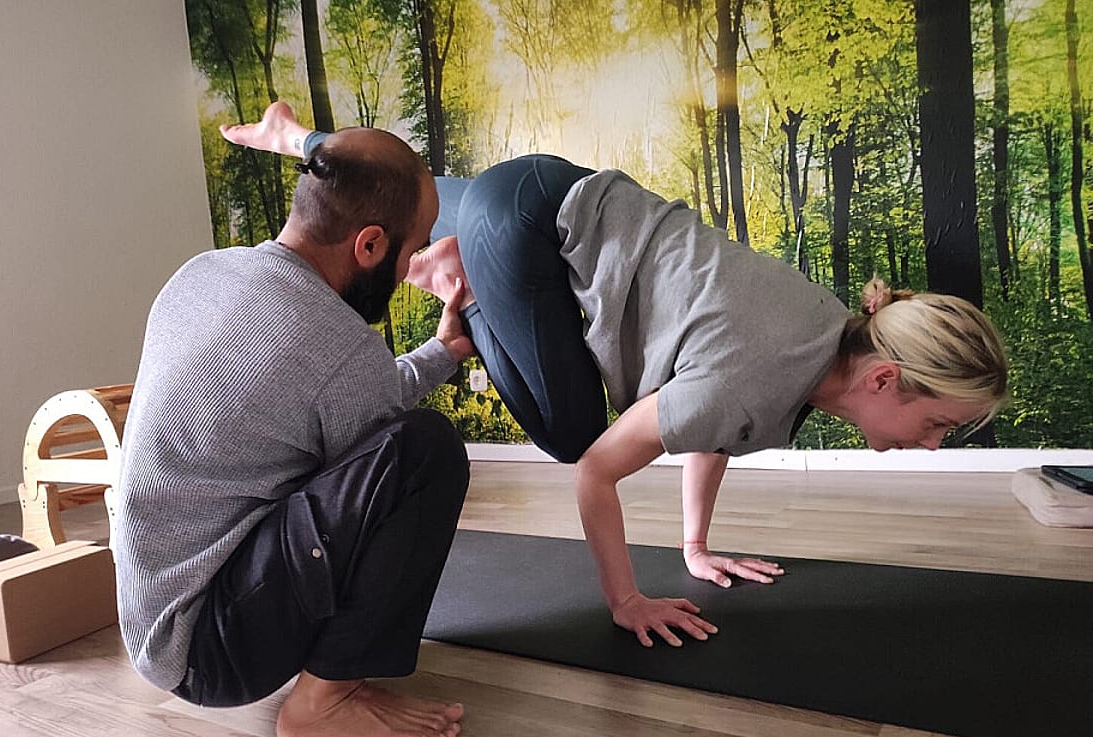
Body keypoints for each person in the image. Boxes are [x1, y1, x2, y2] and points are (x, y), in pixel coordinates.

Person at [222, 101, 1009, 651]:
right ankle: (470, 287)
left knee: (409, 198)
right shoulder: (760, 367)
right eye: (937, 422)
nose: (933, 445)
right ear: (883, 379)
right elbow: (603, 473)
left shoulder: (823, 330)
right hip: (526, 227)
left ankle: (297, 139)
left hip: (544, 192)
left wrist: (693, 545)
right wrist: (627, 598)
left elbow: (713, 424)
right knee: (572, 437)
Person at [115, 121, 478, 737]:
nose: (409, 268)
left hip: (151, 619)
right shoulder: (336, 344)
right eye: (412, 248)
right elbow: (379, 437)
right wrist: (445, 351)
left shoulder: (202, 274)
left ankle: (327, 690)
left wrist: (440, 353)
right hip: (210, 649)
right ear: (369, 245)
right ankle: (324, 703)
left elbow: (338, 389)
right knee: (426, 450)